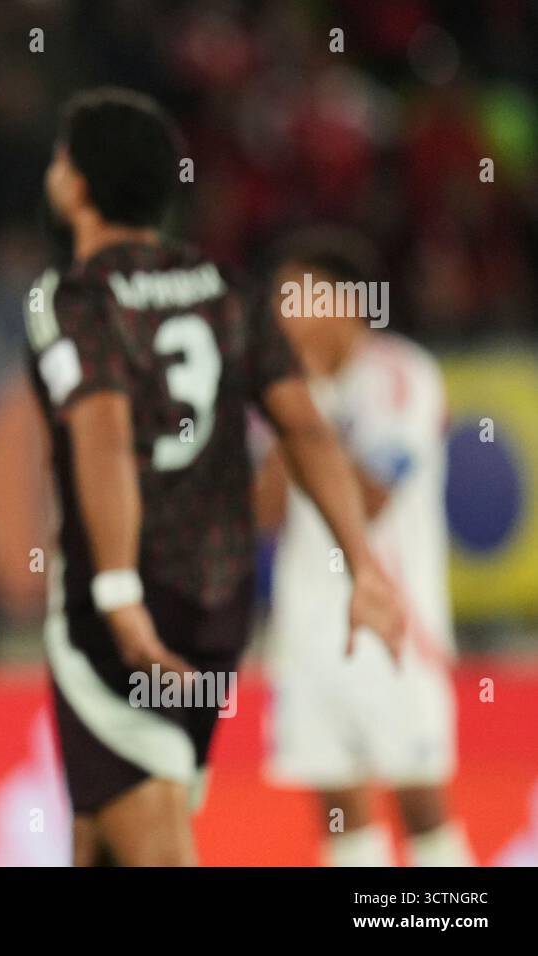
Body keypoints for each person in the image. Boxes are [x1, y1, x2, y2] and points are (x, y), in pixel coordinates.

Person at [25, 87, 405, 866]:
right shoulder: (230, 289)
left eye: (64, 156)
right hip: (222, 606)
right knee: (104, 831)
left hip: (123, 611)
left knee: (150, 827)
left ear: (78, 183)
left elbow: (102, 437)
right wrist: (363, 565)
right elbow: (305, 427)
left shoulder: (71, 299)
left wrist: (120, 596)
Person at [257, 228, 473, 866]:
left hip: (391, 621)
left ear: (346, 302)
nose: (283, 314)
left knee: (420, 803)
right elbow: (264, 513)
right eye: (279, 300)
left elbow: (373, 497)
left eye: (297, 297)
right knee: (339, 814)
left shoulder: (403, 377)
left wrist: (308, 415)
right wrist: (290, 410)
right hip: (306, 627)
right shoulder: (284, 391)